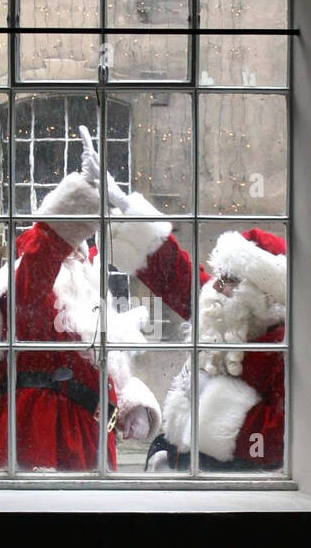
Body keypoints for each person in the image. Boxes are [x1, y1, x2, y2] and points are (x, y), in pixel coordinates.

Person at [0, 130, 161, 471]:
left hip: (90, 433)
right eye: (73, 240)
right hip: (44, 431)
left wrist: (131, 403)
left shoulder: (85, 283)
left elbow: (99, 361)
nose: (80, 253)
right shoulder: (26, 277)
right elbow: (39, 266)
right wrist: (81, 200)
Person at [98, 159, 287, 472]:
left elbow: (279, 434)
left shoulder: (277, 344)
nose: (216, 286)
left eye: (229, 280)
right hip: (180, 463)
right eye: (219, 276)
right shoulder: (222, 309)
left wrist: (210, 416)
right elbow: (176, 274)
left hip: (234, 480)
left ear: (258, 294)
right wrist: (128, 211)